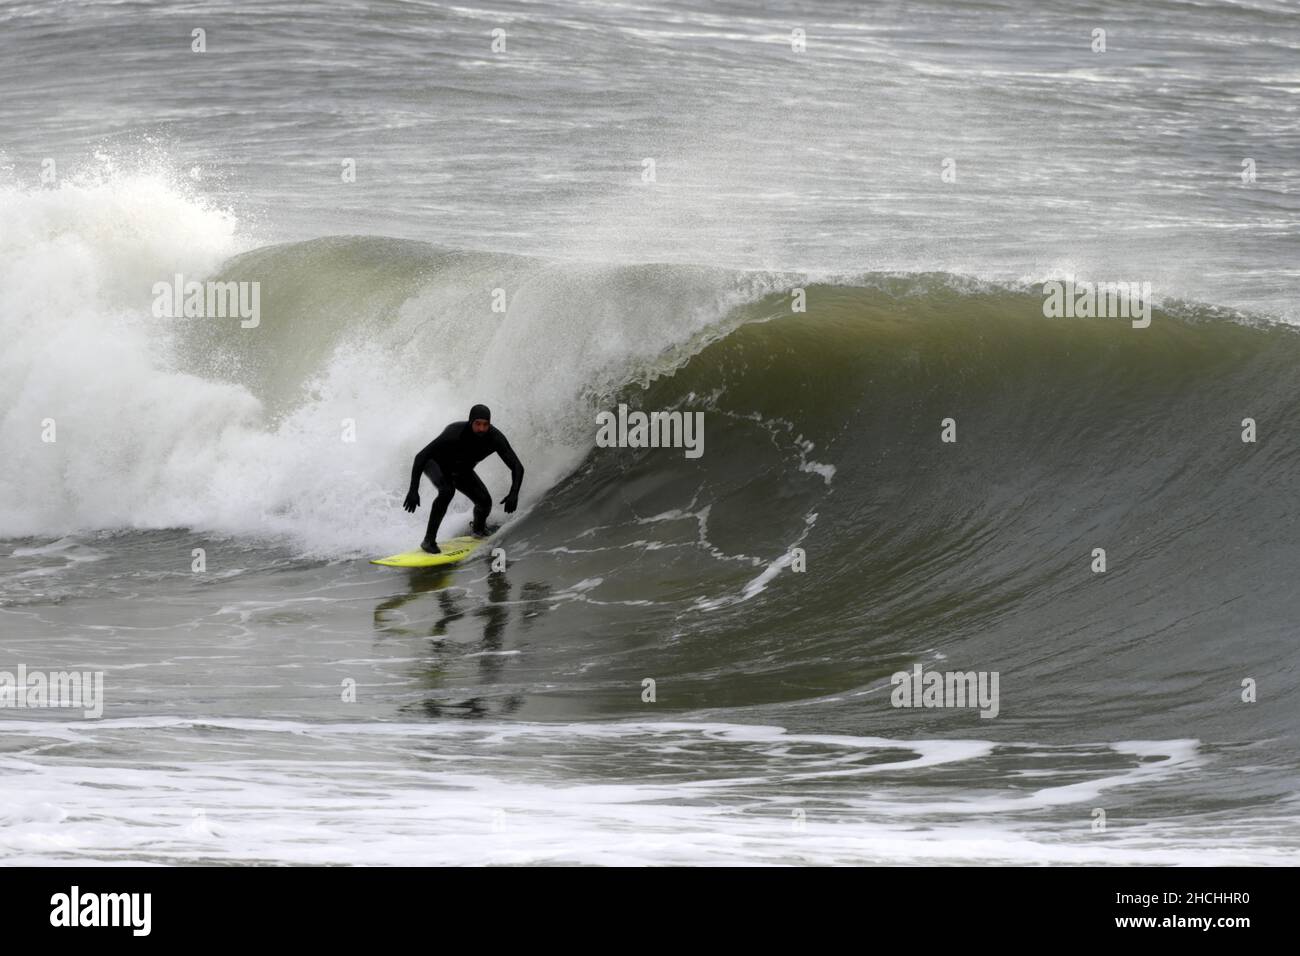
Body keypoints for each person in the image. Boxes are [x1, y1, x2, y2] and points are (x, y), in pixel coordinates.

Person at [403, 404, 524, 553]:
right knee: (447, 491)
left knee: (485, 503)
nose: (481, 428)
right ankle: (428, 541)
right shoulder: (454, 432)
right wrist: (413, 490)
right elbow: (421, 456)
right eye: (477, 424)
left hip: (462, 470)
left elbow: (517, 467)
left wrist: (514, 493)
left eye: (485, 425)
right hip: (436, 464)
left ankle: (478, 530)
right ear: (470, 422)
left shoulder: (495, 438)